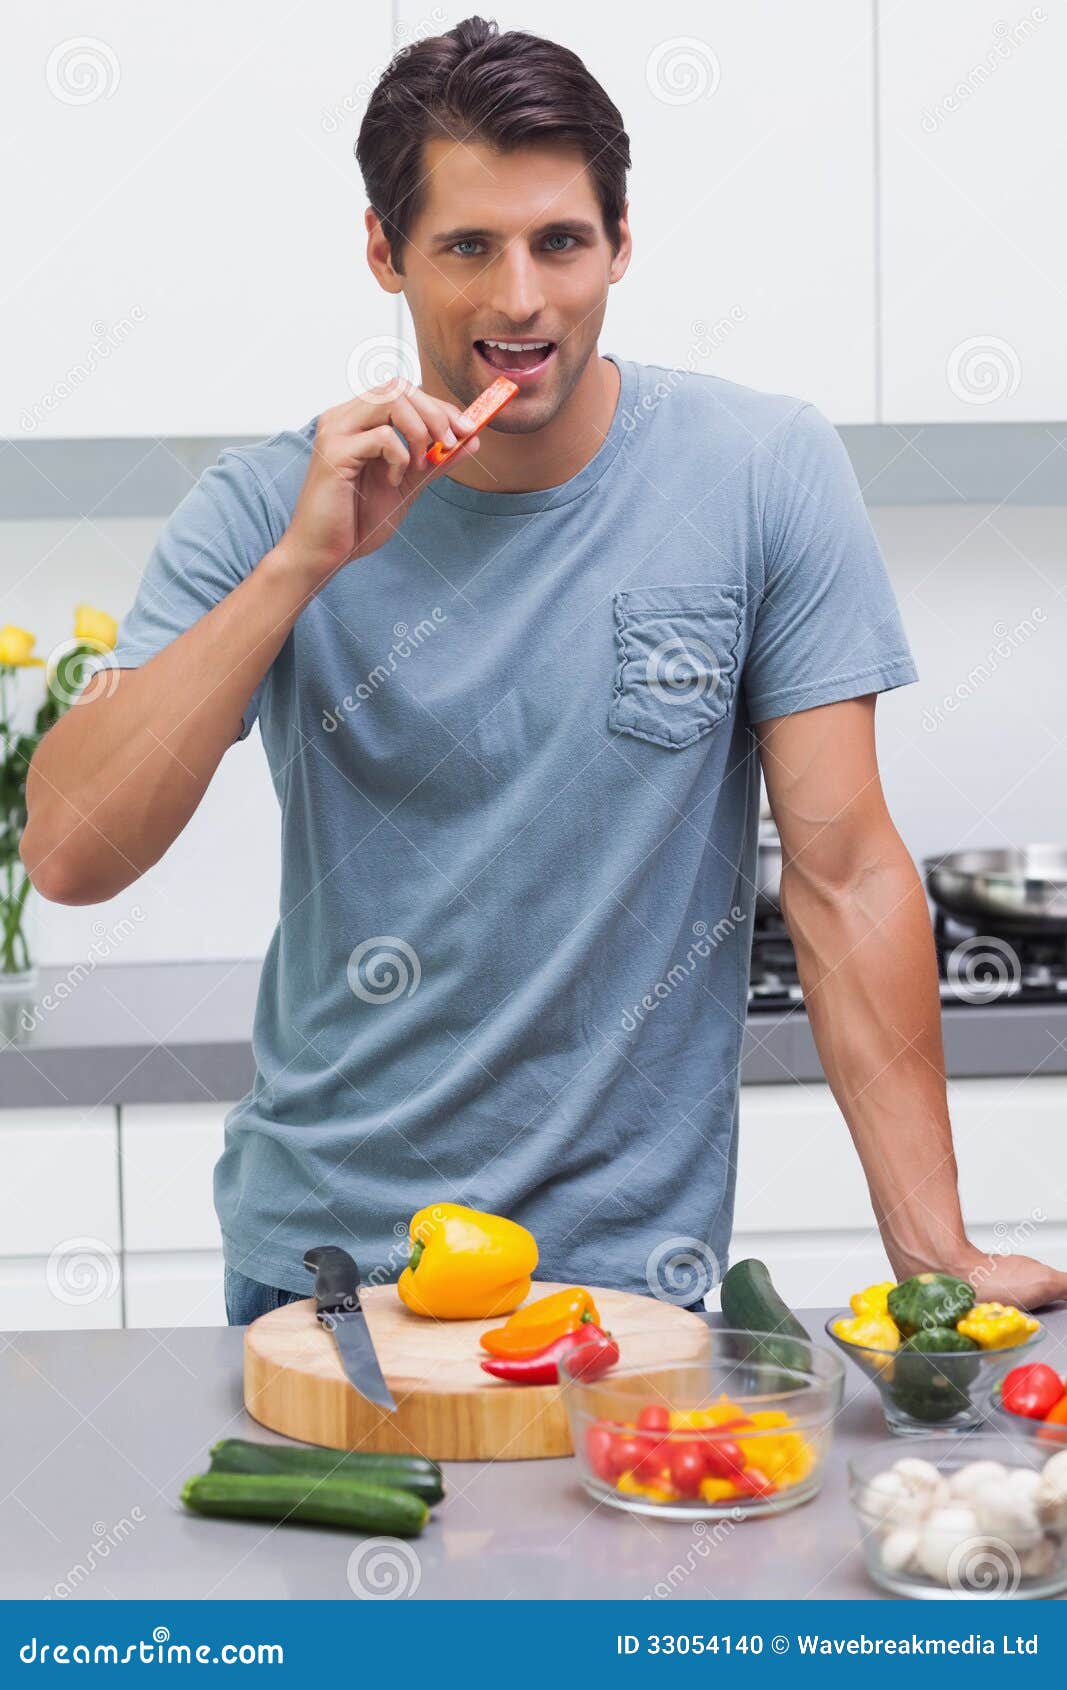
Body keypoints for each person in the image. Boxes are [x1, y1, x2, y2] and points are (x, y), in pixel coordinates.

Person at [22, 16, 1066, 1328]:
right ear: (383, 252)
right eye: (468, 247)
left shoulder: (761, 475)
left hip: (629, 1283)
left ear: (620, 245)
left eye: (561, 243)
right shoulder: (261, 510)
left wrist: (936, 1244)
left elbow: (846, 873)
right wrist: (299, 568)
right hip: (328, 1275)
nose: (521, 299)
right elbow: (68, 849)